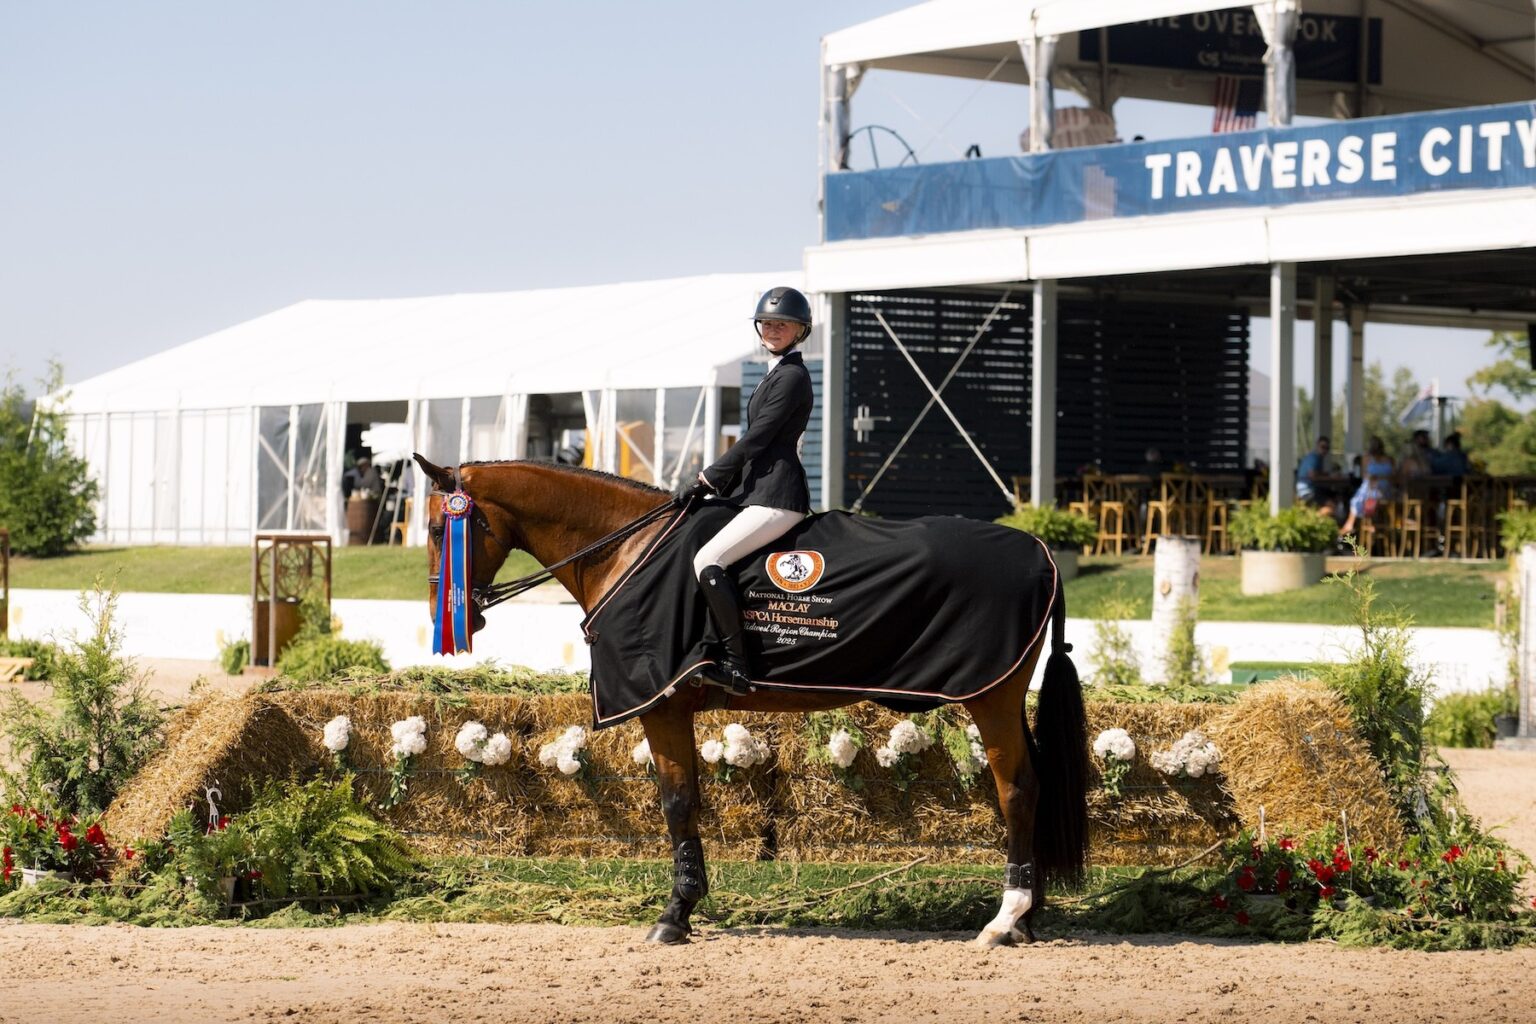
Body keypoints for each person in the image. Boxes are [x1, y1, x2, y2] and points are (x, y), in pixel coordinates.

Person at [680, 286, 816, 695]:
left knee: (709, 559)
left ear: (799, 330)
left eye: (782, 324)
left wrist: (710, 477)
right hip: (756, 490)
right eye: (768, 323)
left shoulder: (791, 376)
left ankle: (738, 668)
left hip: (778, 495)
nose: (773, 329)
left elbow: (757, 439)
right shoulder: (773, 372)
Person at [1340, 436, 1394, 537]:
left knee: (1364, 495)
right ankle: (1370, 522)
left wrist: (1379, 478)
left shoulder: (1389, 459)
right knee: (1367, 490)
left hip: (1385, 490)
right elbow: (1365, 475)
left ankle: (1352, 523)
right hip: (1371, 489)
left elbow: (1394, 476)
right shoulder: (1367, 458)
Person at [1296, 436, 1335, 504]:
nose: (1325, 450)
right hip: (1307, 491)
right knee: (1331, 505)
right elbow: (1313, 476)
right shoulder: (1314, 458)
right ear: (1317, 446)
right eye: (1323, 447)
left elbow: (1316, 474)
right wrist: (1329, 476)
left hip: (1306, 489)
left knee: (1334, 494)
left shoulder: (1317, 458)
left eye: (1327, 448)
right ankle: (1316, 514)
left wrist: (1327, 474)